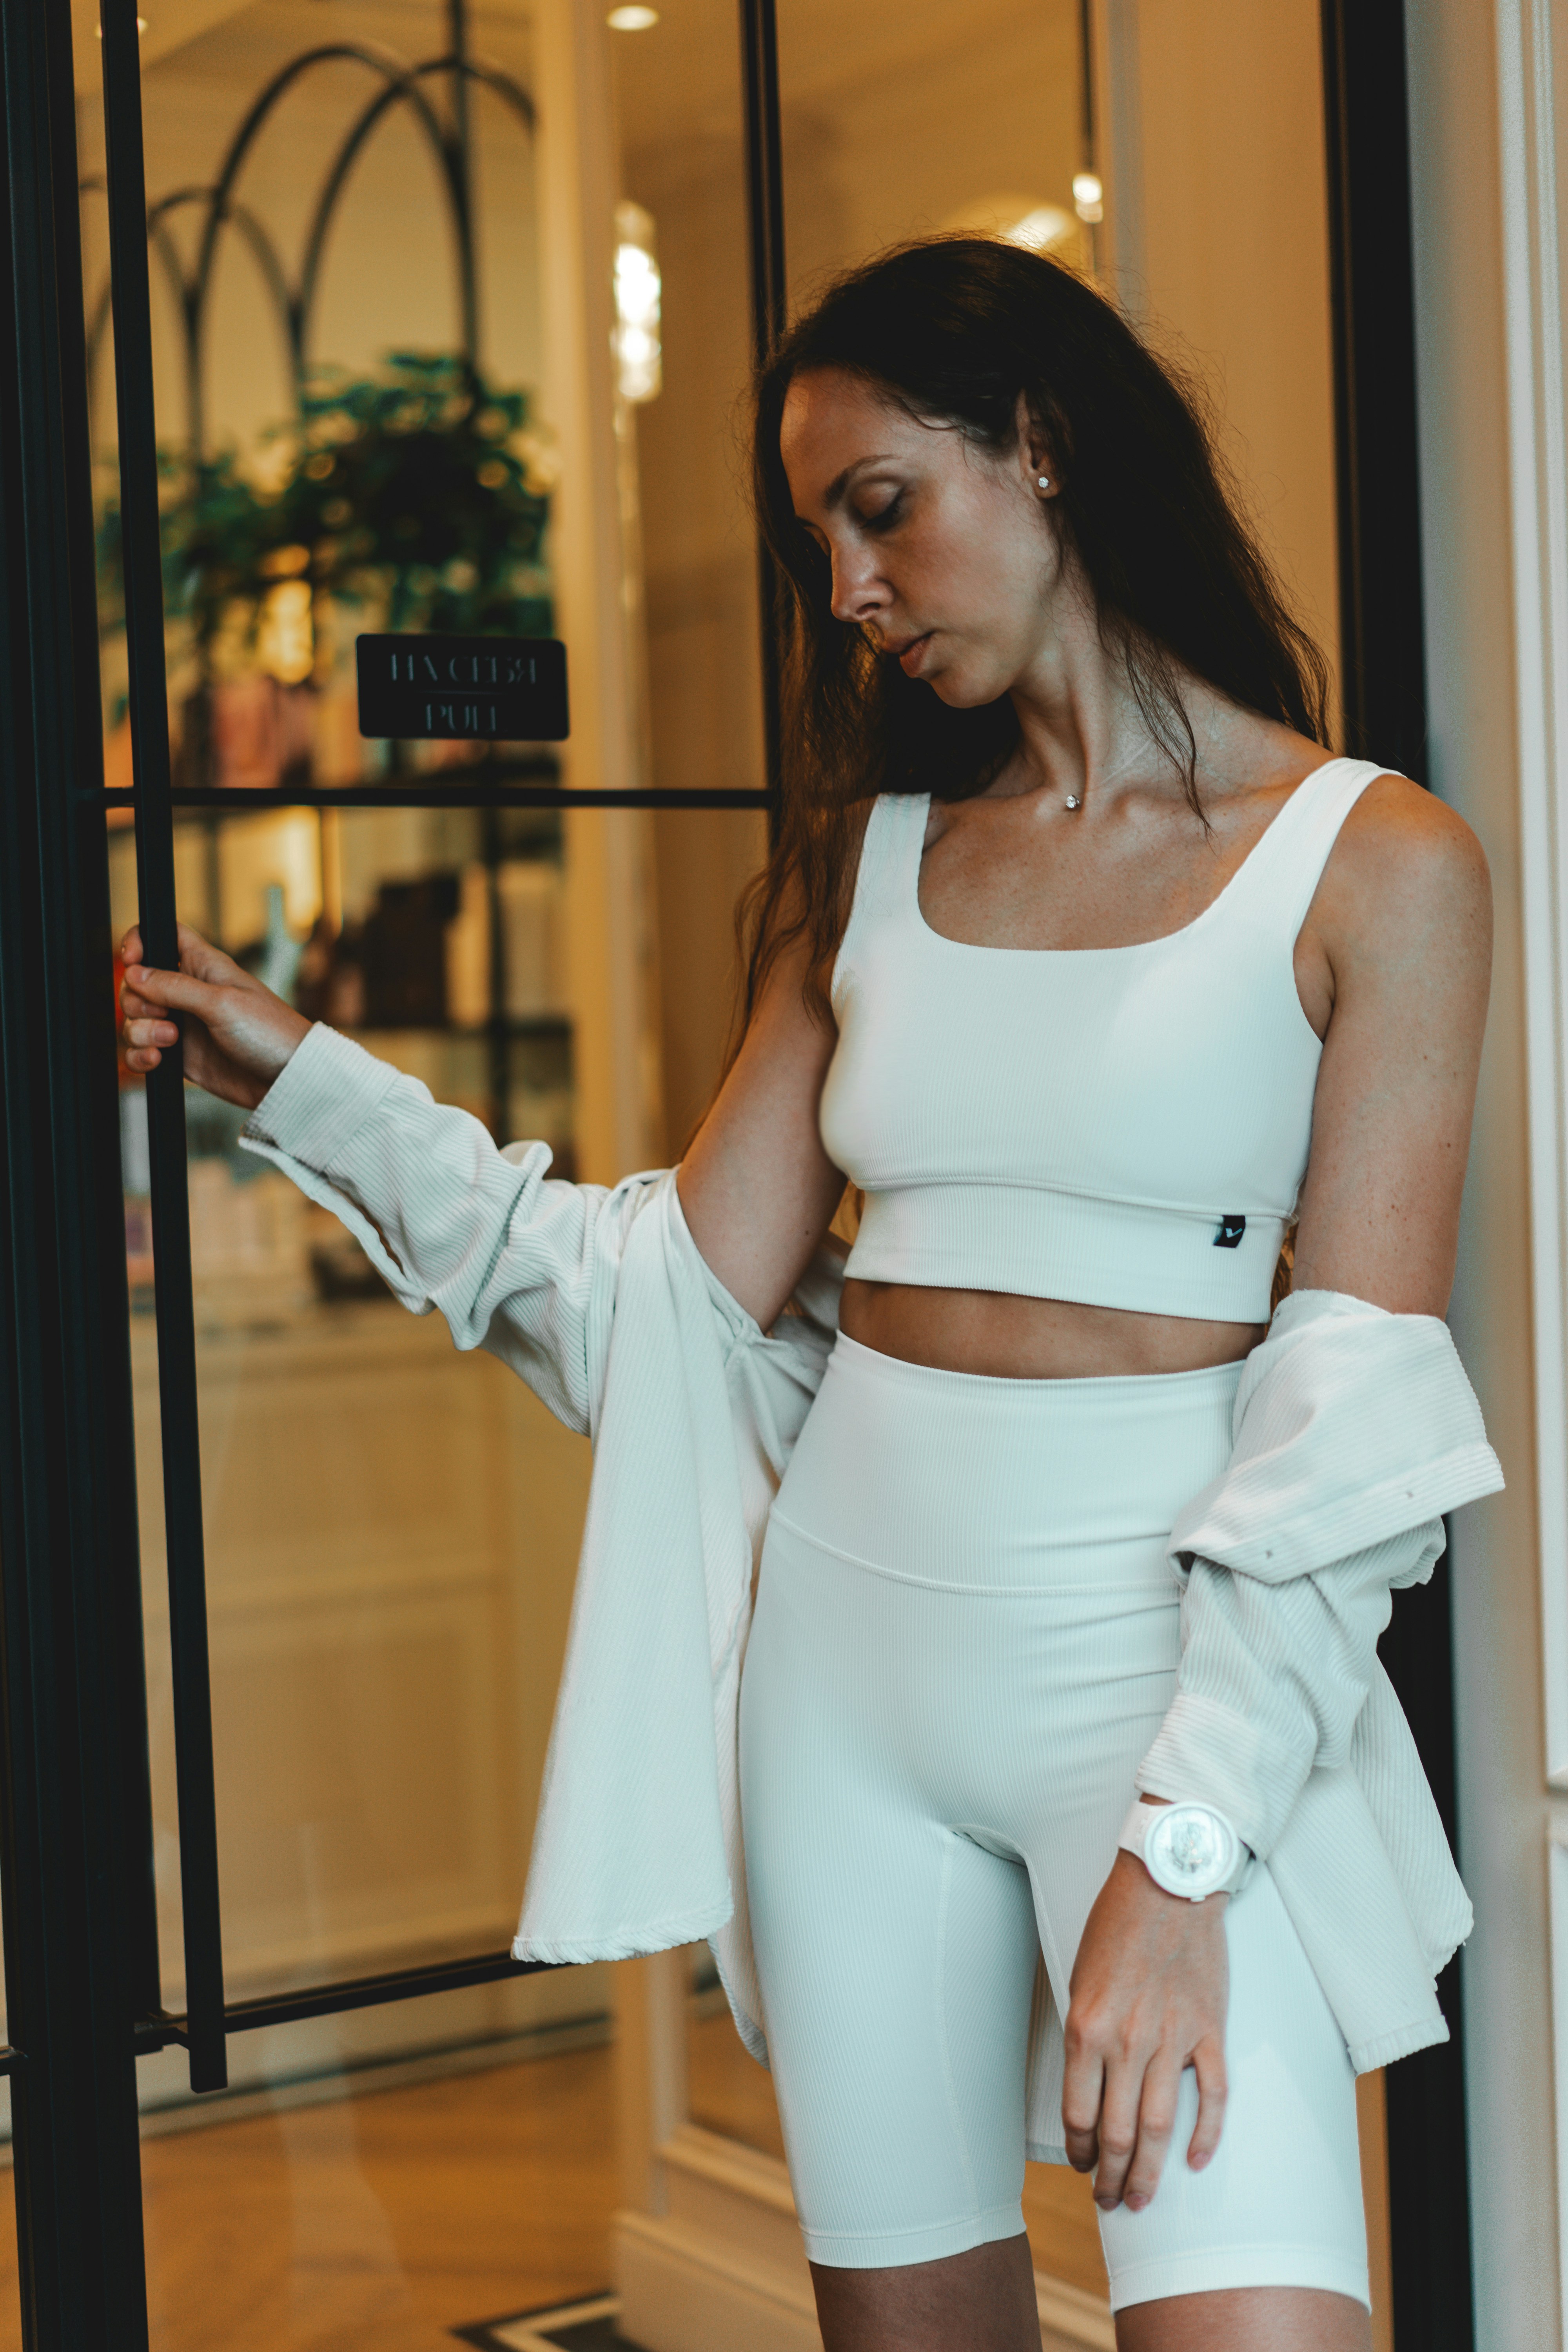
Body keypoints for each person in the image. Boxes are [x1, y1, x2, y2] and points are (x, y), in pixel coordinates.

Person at [121, 239, 1497, 2352]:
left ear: (1039, 447)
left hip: (1162, 1690)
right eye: (816, 538)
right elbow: (649, 1300)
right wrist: (304, 1083)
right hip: (841, 1689)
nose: (849, 586)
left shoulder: (1376, 864)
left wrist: (1192, 1852)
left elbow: (1357, 1405)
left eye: (884, 505)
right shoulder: (870, 870)